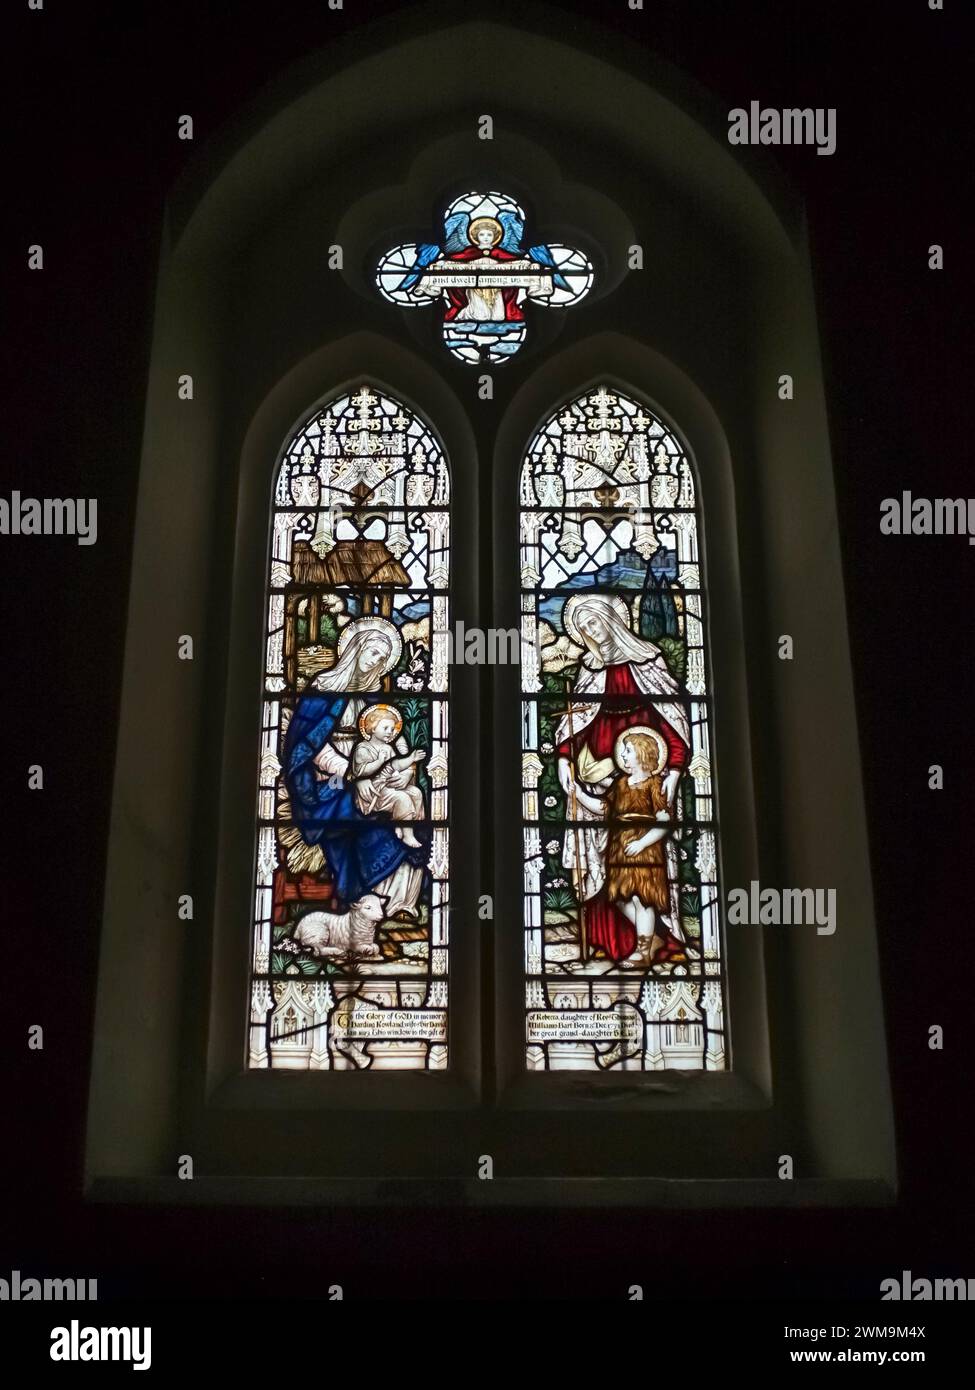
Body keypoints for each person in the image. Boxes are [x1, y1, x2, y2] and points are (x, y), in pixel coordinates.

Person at [555, 593, 690, 961]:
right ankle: (608, 940)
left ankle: (654, 938)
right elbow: (574, 724)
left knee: (644, 869)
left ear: (611, 621)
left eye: (594, 623)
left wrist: (674, 773)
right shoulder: (589, 670)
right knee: (601, 864)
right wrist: (565, 763)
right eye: (583, 629)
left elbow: (672, 719)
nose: (591, 634)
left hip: (643, 771)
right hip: (597, 773)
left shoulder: (648, 662)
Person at [282, 617, 425, 918]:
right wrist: (349, 772)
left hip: (368, 773)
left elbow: (389, 740)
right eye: (373, 653)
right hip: (328, 780)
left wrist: (395, 771)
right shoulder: (323, 688)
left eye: (383, 659)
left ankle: (397, 899)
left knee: (410, 804)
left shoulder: (373, 697)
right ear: (356, 649)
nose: (377, 662)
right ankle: (357, 897)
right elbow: (309, 744)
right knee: (360, 813)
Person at [568, 729, 683, 964]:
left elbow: (664, 821)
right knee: (620, 897)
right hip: (620, 845)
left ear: (642, 755)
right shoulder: (620, 783)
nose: (622, 755)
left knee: (644, 898)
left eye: (627, 751)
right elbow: (603, 808)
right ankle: (654, 938)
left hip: (645, 847)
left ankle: (642, 951)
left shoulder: (654, 784)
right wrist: (578, 794)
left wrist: (642, 843)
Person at [349, 704, 426, 848]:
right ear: (372, 727)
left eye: (392, 729)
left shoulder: (388, 747)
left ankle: (400, 822)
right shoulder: (362, 748)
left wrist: (410, 760)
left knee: (416, 793)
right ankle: (408, 836)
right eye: (385, 728)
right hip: (373, 791)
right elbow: (361, 772)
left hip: (387, 785)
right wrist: (379, 761)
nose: (390, 732)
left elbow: (395, 765)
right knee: (401, 798)